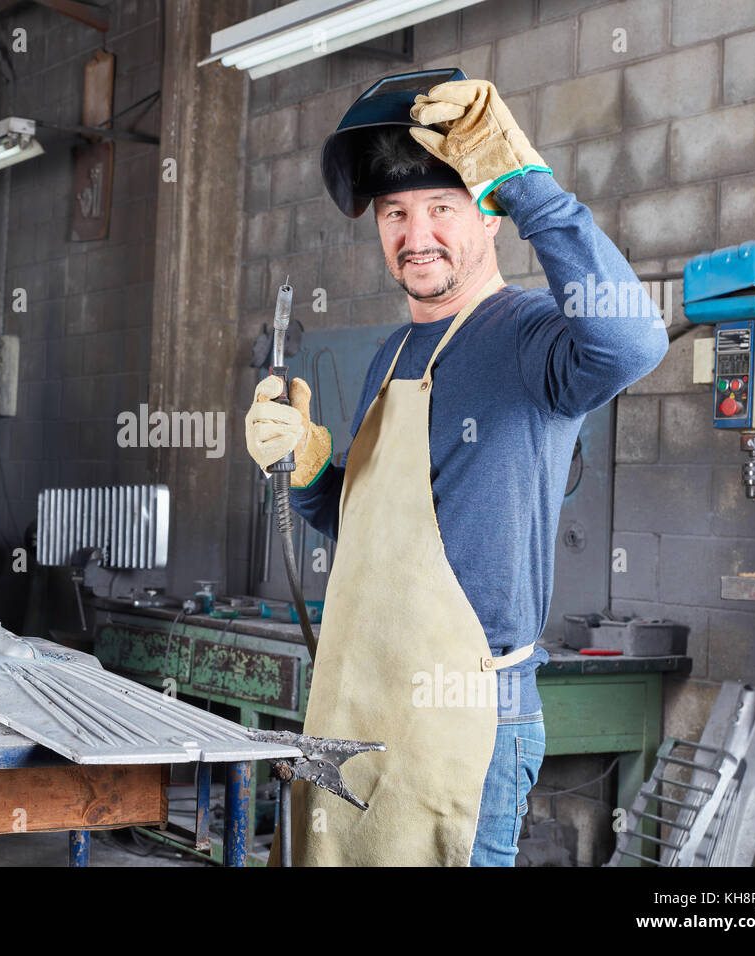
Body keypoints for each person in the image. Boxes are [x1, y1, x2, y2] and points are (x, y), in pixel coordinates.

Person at [244, 72, 668, 866]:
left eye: (444, 206)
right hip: (354, 703)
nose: (417, 235)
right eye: (395, 214)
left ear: (489, 217)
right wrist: (306, 473)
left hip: (465, 717)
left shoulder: (530, 336)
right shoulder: (391, 353)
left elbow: (634, 344)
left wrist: (524, 183)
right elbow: (362, 526)